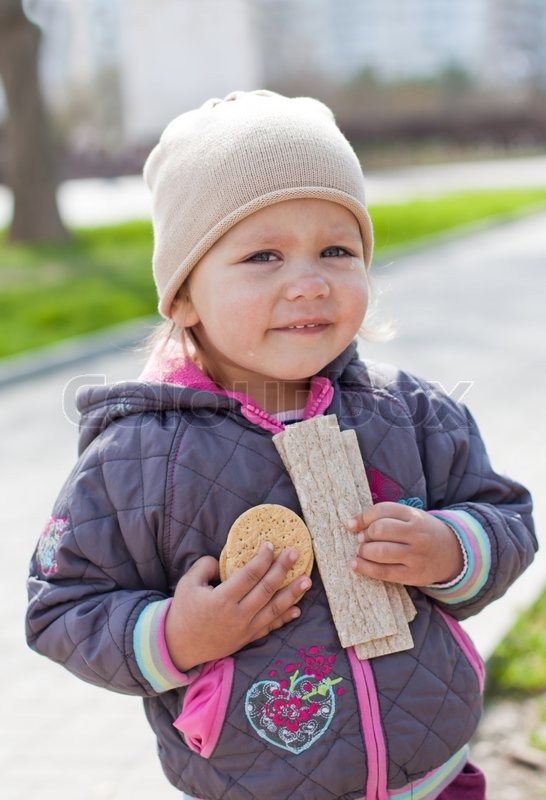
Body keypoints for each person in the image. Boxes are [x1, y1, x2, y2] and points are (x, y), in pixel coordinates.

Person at [26, 90, 536, 800]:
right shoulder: (137, 457)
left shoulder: (412, 411)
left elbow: (505, 515)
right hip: (255, 779)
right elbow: (62, 608)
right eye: (262, 255)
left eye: (336, 249)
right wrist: (178, 634)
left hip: (434, 774)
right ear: (183, 298)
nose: (308, 283)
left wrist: (452, 548)